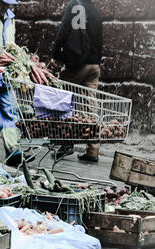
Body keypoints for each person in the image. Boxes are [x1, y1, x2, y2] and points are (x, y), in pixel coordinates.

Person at [51, 0, 103, 162]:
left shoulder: (74, 5)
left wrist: (56, 56)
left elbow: (64, 30)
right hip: (94, 66)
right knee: (90, 105)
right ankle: (93, 151)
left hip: (77, 65)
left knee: (63, 98)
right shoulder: (95, 11)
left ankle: (65, 144)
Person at [0, 0, 24, 167]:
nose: (6, 7)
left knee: (9, 113)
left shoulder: (10, 18)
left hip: (5, 77)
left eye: (9, 4)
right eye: (3, 3)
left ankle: (13, 150)